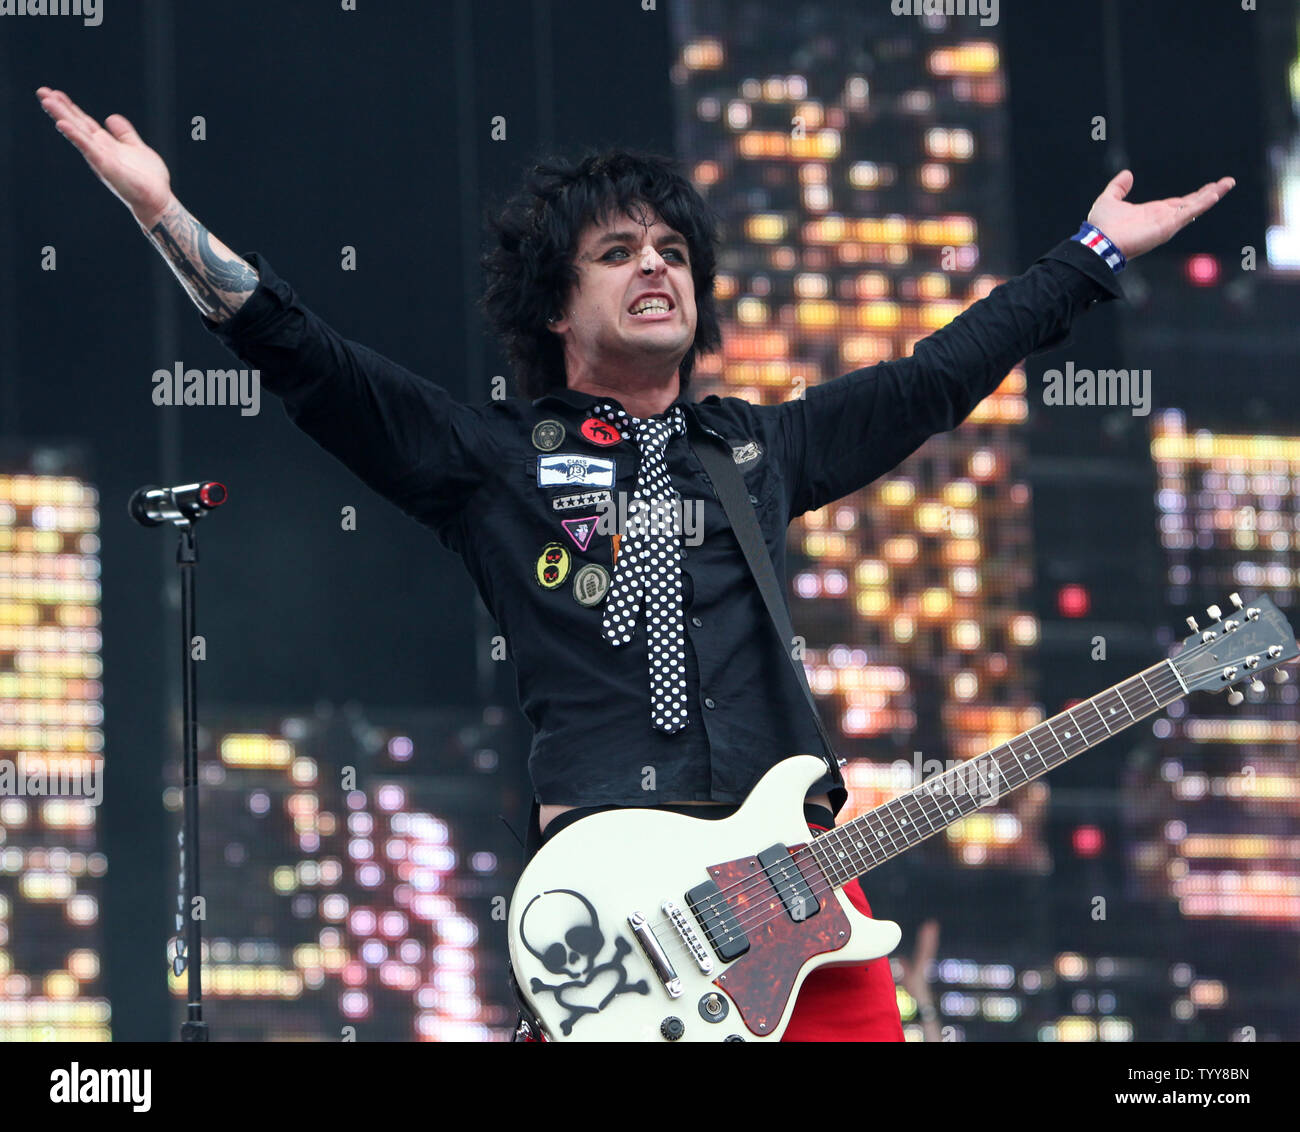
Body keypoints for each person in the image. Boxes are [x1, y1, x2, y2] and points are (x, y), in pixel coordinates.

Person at [35, 85, 1234, 1042]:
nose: (656, 265)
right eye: (617, 251)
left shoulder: (761, 447)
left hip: (805, 894)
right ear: (558, 306)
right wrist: (161, 214)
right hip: (620, 915)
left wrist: (1088, 254)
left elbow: (934, 378)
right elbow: (312, 362)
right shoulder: (493, 459)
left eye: (671, 247)